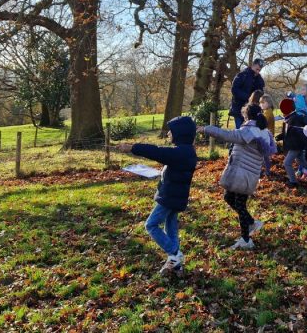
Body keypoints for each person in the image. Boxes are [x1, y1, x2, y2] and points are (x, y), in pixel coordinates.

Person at [115, 116, 198, 276]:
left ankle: (175, 253)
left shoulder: (181, 152)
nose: (168, 134)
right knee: (171, 228)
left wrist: (133, 147)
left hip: (170, 197)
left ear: (179, 133)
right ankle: (175, 264)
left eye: (171, 131)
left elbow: (157, 152)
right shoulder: (185, 152)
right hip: (175, 196)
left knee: (151, 225)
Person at [200, 104, 274, 250]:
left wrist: (206, 129)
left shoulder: (249, 131)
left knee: (240, 205)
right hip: (248, 173)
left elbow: (228, 135)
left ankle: (246, 239)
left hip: (243, 174)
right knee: (228, 197)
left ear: (246, 116)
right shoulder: (262, 131)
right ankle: (252, 222)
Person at [277, 97, 307, 188]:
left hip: (295, 145)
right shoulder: (289, 118)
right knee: (302, 161)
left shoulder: (295, 118)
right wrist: (280, 136)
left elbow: (297, 132)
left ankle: (293, 181)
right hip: (295, 145)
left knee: (287, 162)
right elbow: (287, 132)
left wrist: (293, 140)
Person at [229, 58, 265, 128]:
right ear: (253, 65)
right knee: (240, 133)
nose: (258, 72)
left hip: (252, 112)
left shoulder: (259, 79)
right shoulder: (242, 75)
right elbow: (234, 89)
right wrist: (249, 97)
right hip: (239, 109)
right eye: (257, 69)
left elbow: (261, 93)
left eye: (259, 70)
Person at [259, 94, 277, 176]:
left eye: (263, 103)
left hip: (266, 136)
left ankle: (266, 170)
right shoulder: (267, 111)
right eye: (260, 103)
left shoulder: (267, 113)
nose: (261, 105)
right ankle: (266, 169)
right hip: (268, 135)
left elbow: (262, 123)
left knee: (263, 154)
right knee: (265, 155)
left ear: (268, 103)